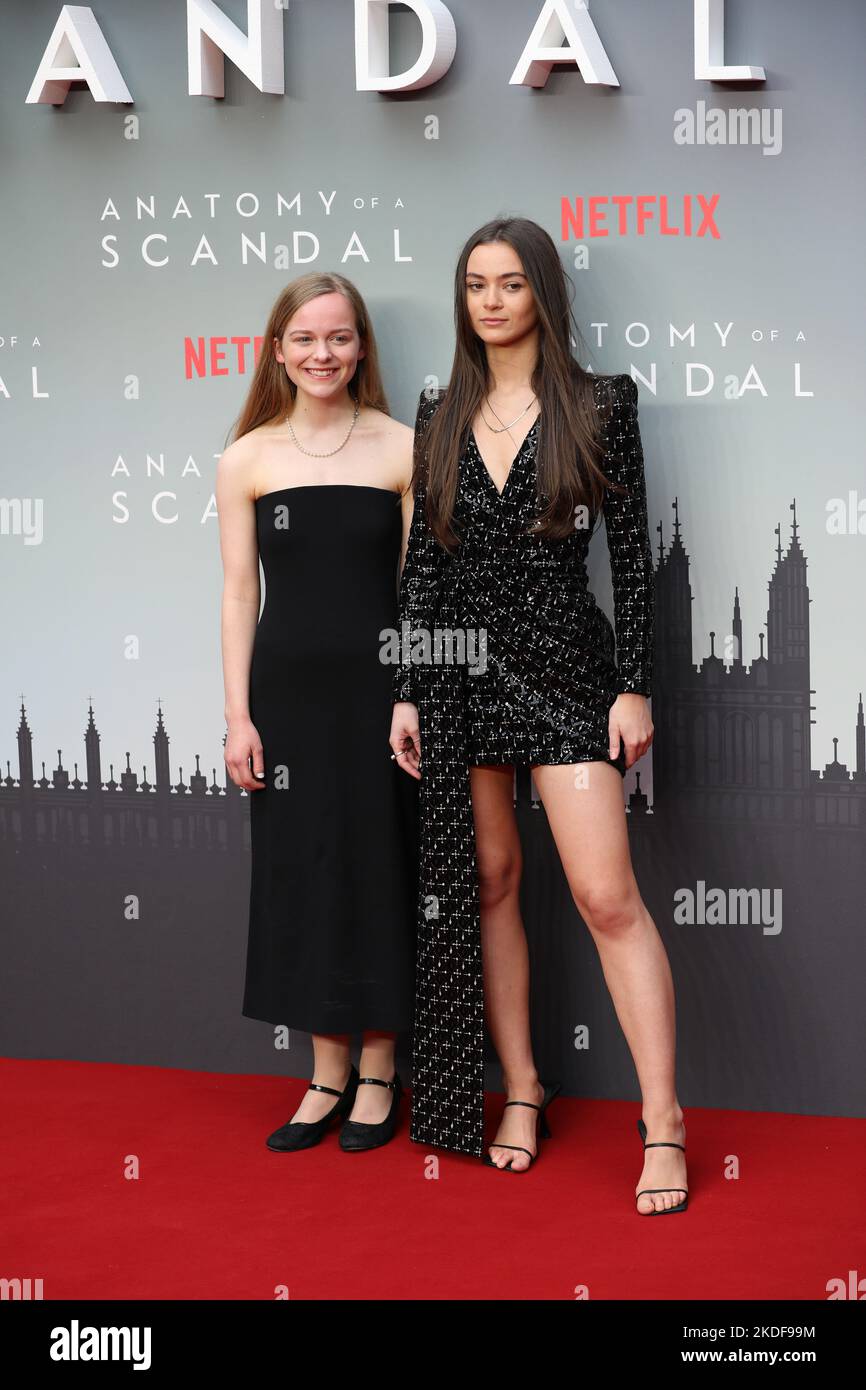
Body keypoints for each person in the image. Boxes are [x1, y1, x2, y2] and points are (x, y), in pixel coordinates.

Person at [389, 217, 689, 1213]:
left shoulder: (600, 403)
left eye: (509, 283)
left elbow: (633, 559)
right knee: (490, 883)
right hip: (459, 676)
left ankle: (661, 1120)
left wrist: (632, 682)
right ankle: (520, 1087)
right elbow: (424, 566)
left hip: (567, 670)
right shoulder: (437, 413)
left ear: (541, 296)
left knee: (605, 896)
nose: (487, 300)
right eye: (473, 283)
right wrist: (406, 683)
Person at [217, 272, 419, 1154]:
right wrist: (238, 716)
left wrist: (410, 692)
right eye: (304, 339)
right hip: (286, 699)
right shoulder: (246, 457)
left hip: (381, 700)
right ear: (278, 350)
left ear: (362, 346)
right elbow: (235, 593)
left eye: (338, 338)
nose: (322, 354)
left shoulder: (404, 448)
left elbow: (421, 591)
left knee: (377, 864)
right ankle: (324, 1075)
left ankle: (379, 1070)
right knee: (302, 869)